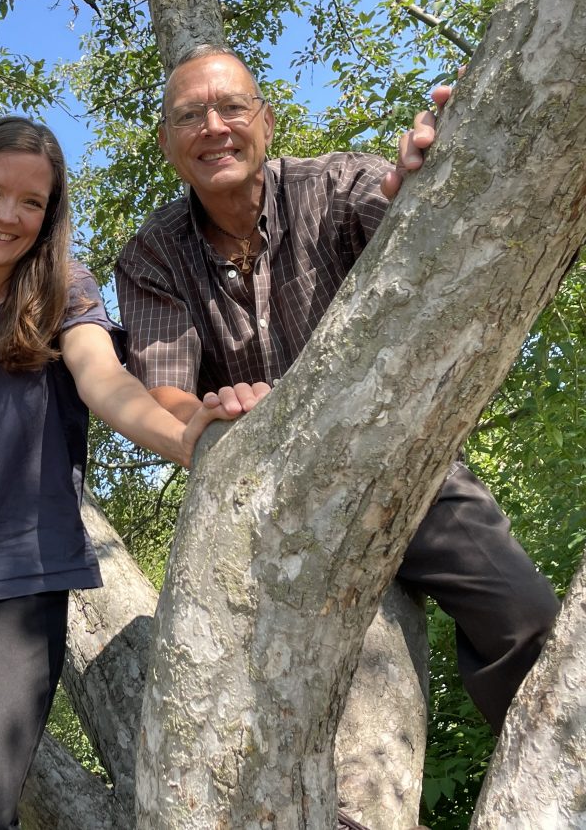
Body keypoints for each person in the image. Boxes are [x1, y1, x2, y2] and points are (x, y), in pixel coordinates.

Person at [115, 43, 560, 734]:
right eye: (190, 115)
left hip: (402, 466)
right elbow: (166, 397)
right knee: (254, 713)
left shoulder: (335, 184)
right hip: (265, 507)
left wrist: (435, 174)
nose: (214, 126)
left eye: (233, 107)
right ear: (169, 143)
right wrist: (220, 419)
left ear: (266, 122)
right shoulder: (152, 253)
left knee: (527, 622)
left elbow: (412, 217)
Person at [0, 116, 198, 830]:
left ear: (50, 214)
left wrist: (188, 444)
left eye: (32, 202)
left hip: (18, 590)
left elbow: (105, 383)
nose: (8, 214)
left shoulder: (62, 286)